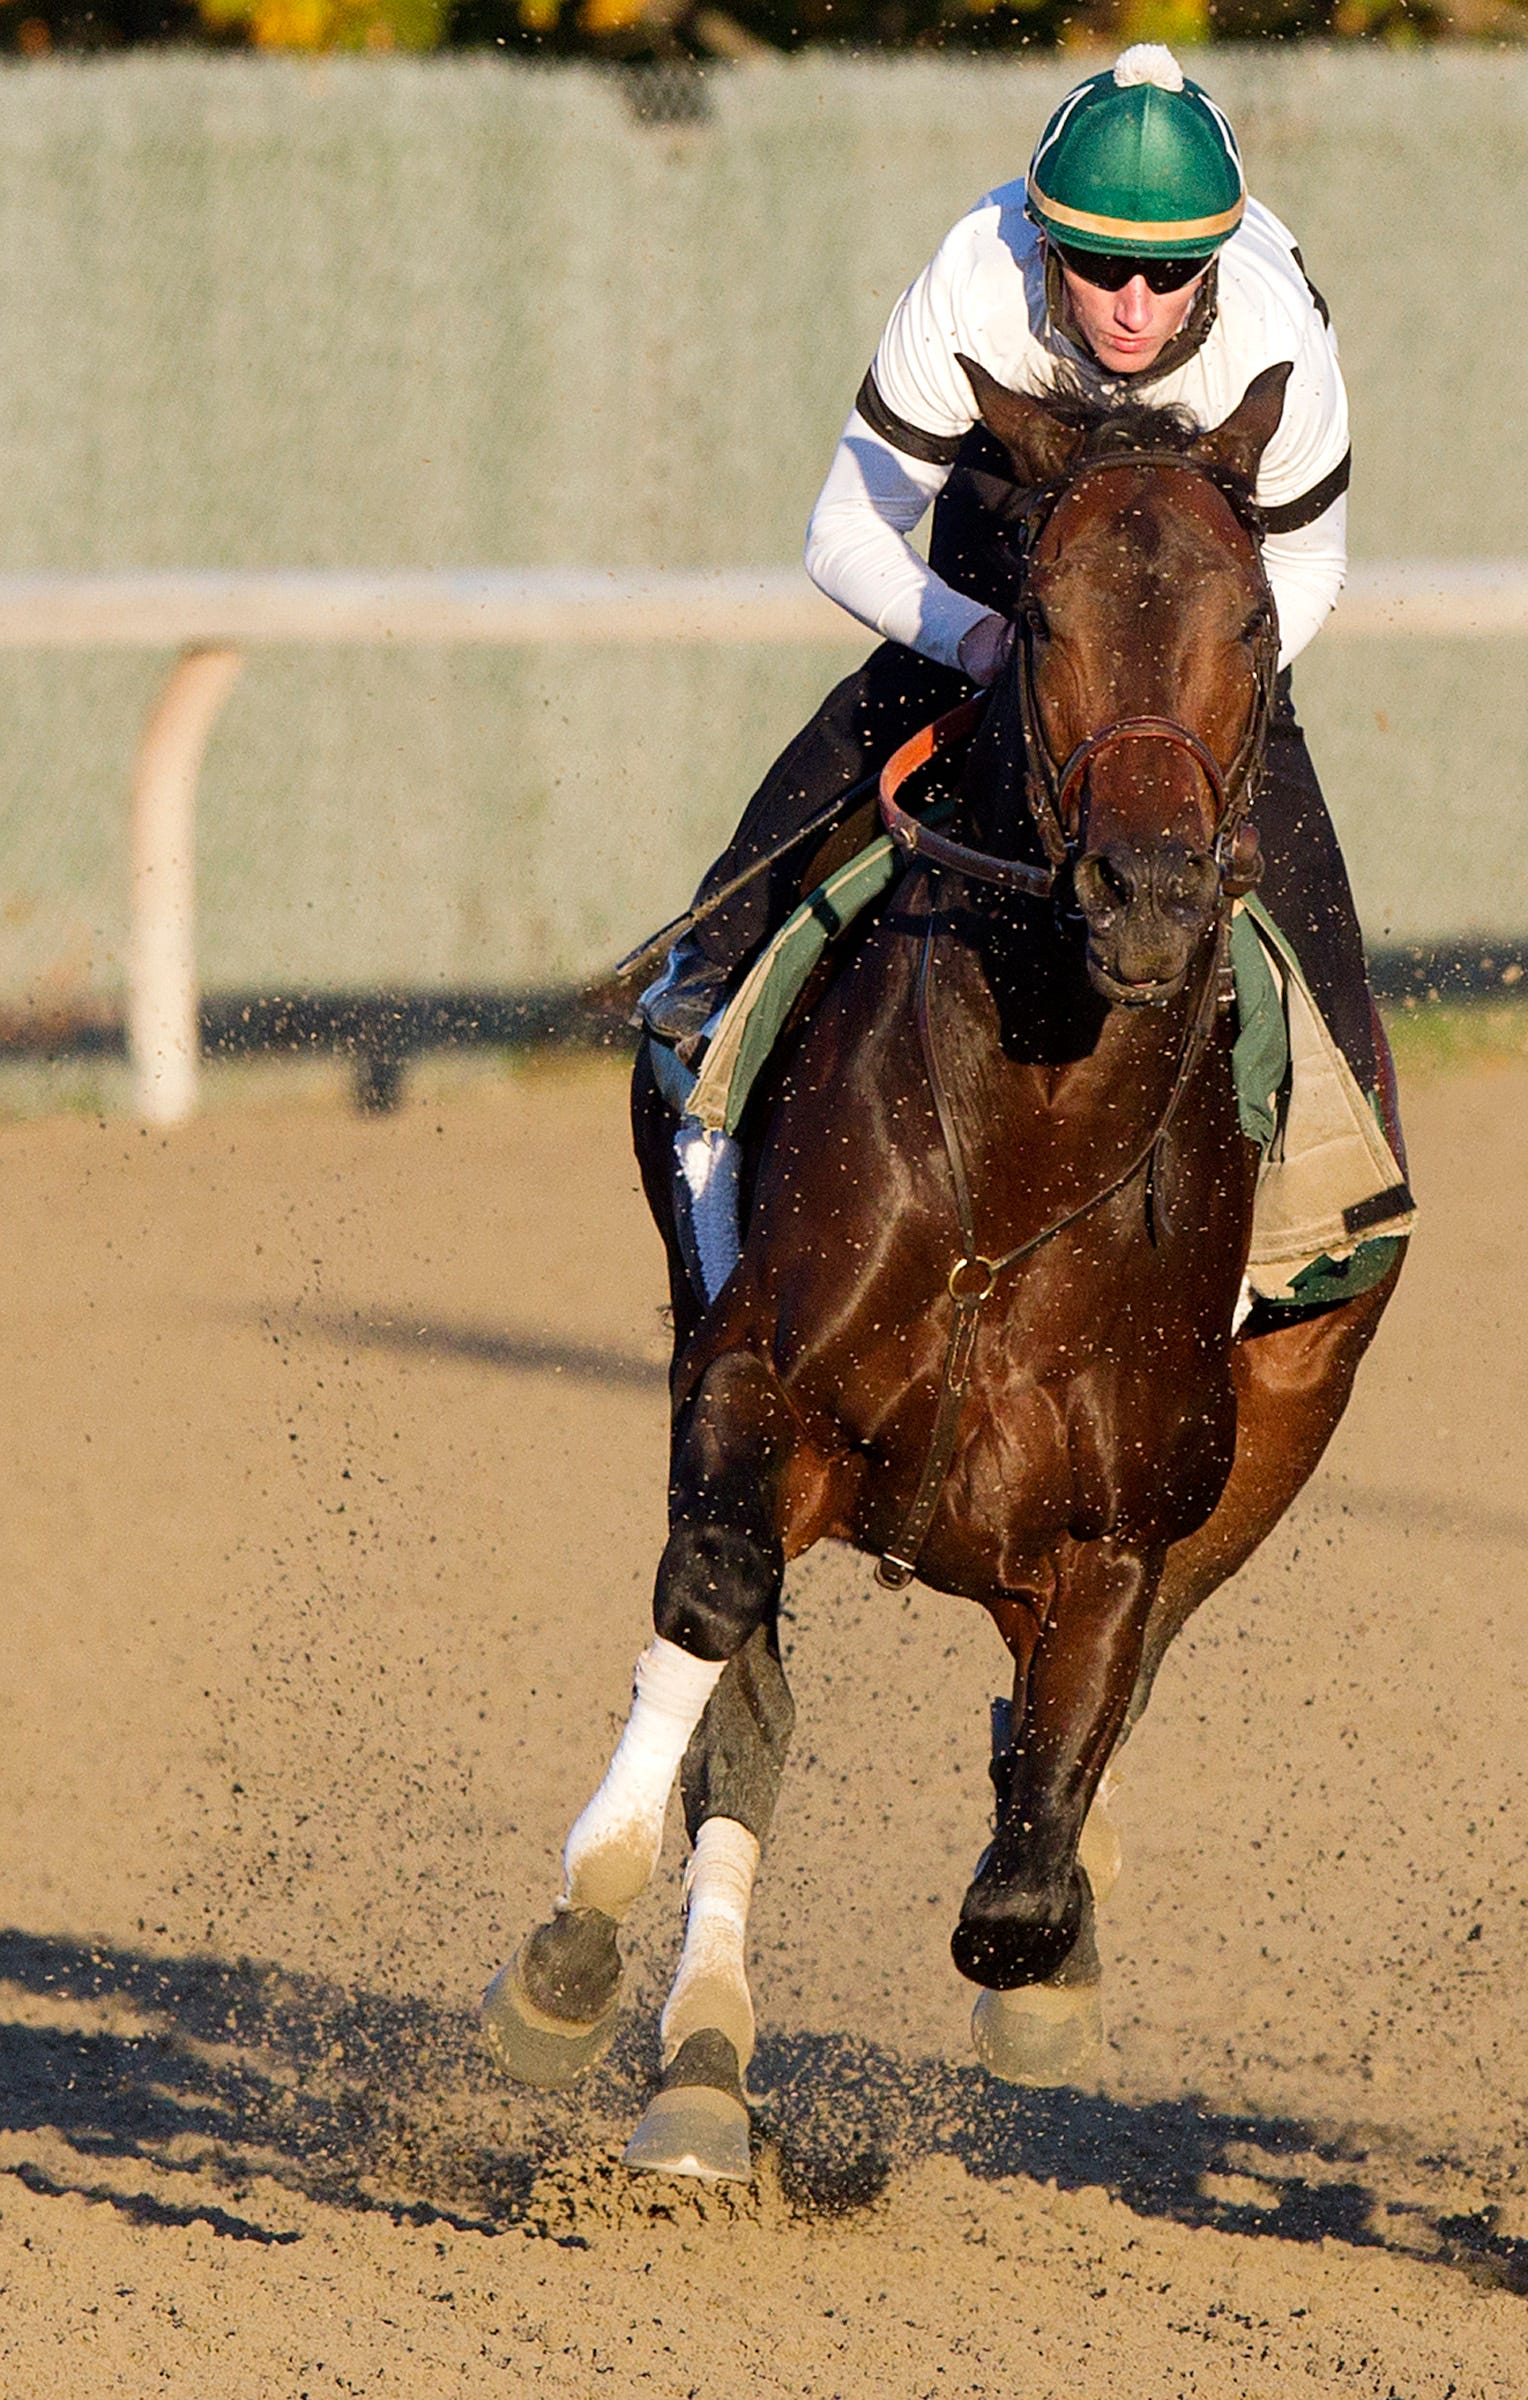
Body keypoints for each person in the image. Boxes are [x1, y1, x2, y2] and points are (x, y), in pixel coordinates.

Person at [640, 43, 1379, 1098]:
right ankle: (706, 979)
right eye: (1098, 267)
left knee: (1322, 953)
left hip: (1195, 601)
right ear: (1042, 240)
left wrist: (1213, 680)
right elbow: (845, 531)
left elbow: (1308, 561)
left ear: (1215, 257)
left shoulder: (1277, 339)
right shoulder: (974, 285)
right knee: (887, 700)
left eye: (1170, 274)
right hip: (1020, 564)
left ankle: (1355, 1146)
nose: (1134, 307)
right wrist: (982, 640)